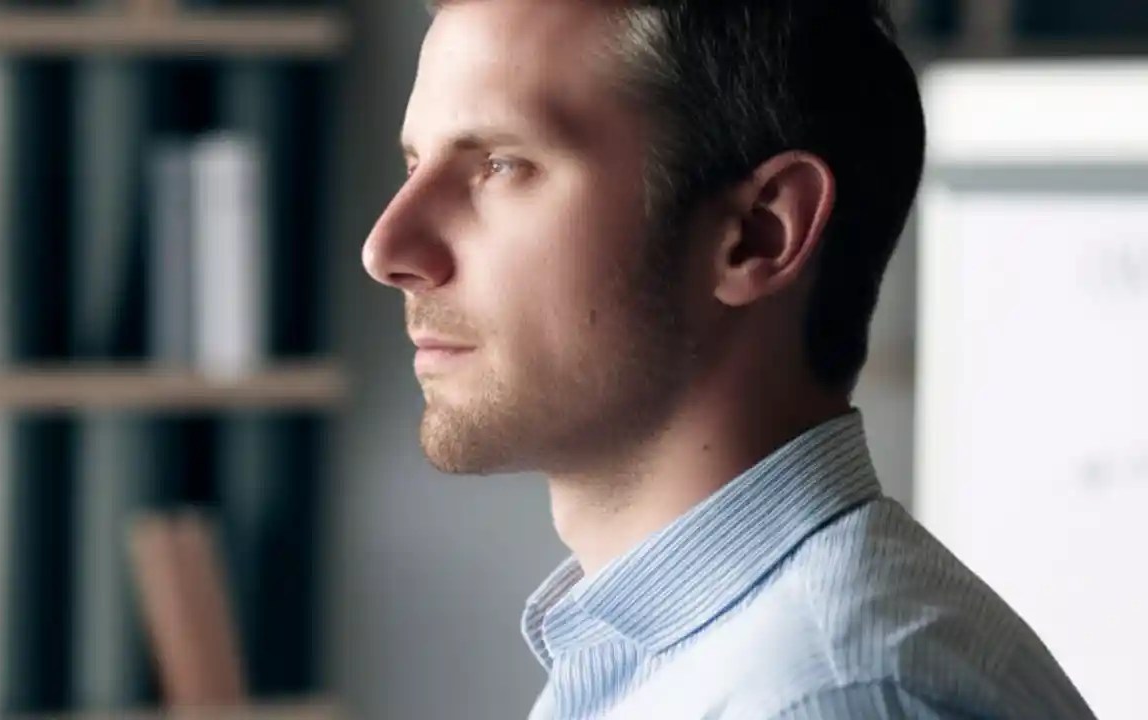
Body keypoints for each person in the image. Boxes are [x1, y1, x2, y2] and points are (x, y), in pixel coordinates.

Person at [361, 0, 1096, 717]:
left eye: (500, 164)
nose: (386, 250)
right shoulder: (661, 660)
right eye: (414, 163)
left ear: (758, 233)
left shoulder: (825, 697)